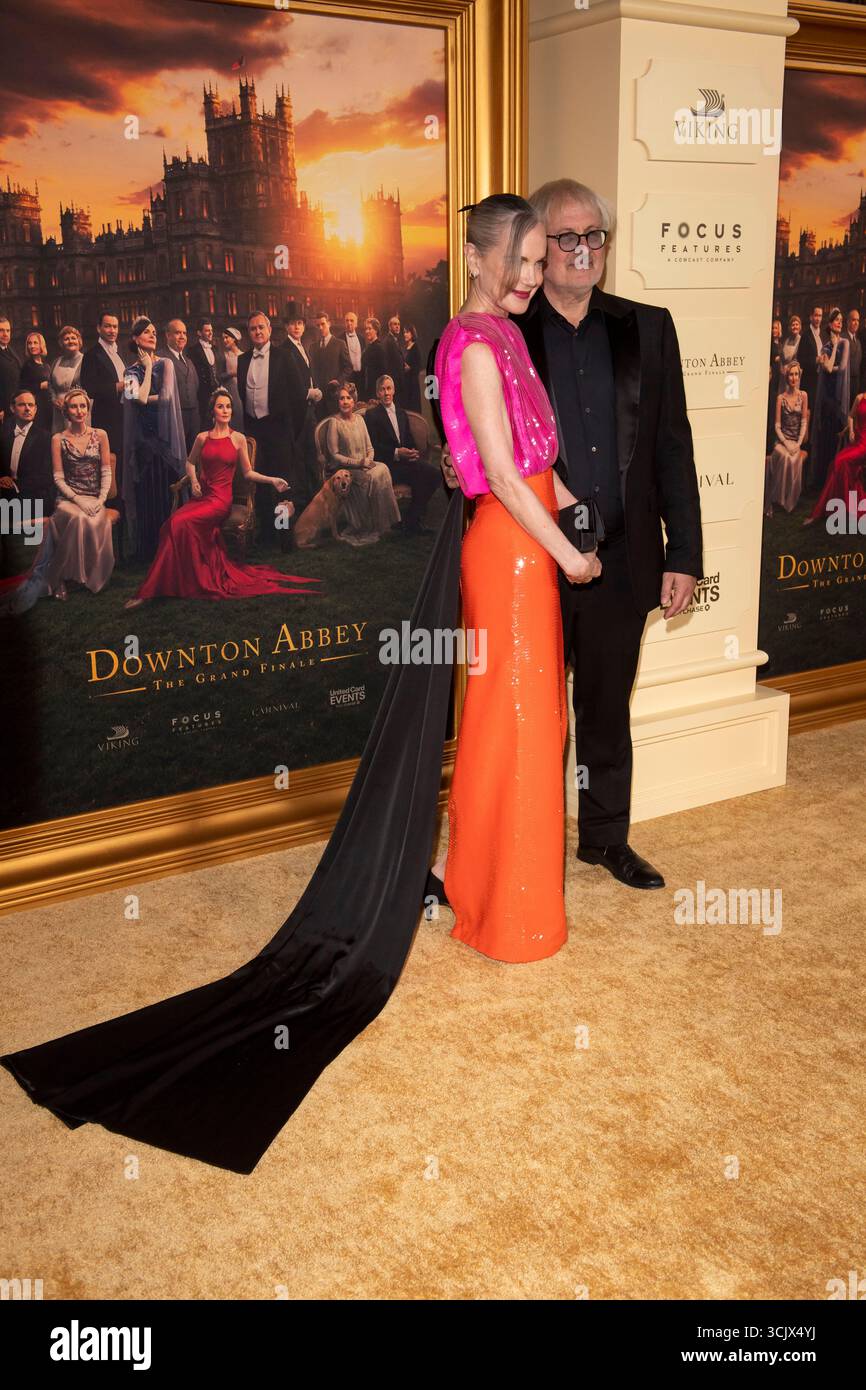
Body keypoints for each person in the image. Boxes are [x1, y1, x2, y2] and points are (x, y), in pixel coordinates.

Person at [0, 193, 590, 1173]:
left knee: (526, 727)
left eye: (543, 257)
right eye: (523, 257)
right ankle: (503, 917)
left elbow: (533, 460)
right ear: (482, 257)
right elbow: (492, 466)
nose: (538, 271)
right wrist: (563, 554)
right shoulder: (478, 344)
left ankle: (497, 901)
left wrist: (579, 518)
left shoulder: (506, 338)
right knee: (513, 725)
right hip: (513, 551)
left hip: (528, 541)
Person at [432, 178, 703, 890]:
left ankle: (605, 840)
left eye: (596, 238)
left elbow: (675, 448)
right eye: (566, 240)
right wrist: (453, 460)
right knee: (527, 715)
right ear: (537, 250)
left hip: (617, 556)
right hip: (535, 558)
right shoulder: (503, 330)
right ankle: (518, 849)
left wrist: (687, 556)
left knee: (605, 708)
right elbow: (469, 433)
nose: (583, 252)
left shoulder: (649, 327)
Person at [124, 389, 320, 606]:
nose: (225, 410)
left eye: (228, 406)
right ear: (213, 411)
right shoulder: (202, 438)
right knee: (171, 524)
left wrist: (272, 480)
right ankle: (172, 582)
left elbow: (247, 473)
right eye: (221, 406)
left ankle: (151, 591)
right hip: (203, 497)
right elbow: (190, 463)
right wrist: (195, 480)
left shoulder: (237, 439)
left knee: (180, 522)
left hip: (219, 501)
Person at [0, 387, 113, 612]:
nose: (79, 410)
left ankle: (85, 577)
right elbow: (58, 478)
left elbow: (106, 471)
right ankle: (59, 577)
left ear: (87, 409)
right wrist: (79, 501)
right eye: (74, 406)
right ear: (66, 411)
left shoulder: (100, 434)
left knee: (93, 519)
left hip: (95, 498)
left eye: (83, 406)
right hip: (67, 499)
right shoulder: (57, 438)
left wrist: (100, 500)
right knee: (77, 517)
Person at [121, 316, 187, 562]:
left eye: (154, 332)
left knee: (164, 492)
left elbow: (167, 399)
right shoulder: (129, 371)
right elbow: (134, 398)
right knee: (145, 494)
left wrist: (141, 394)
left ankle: (170, 548)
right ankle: (149, 550)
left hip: (163, 441)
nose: (152, 335)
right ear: (136, 339)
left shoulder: (167, 364)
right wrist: (147, 369)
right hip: (141, 441)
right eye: (146, 332)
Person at [236, 310, 298, 541]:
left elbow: (298, 396)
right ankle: (266, 533)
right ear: (249, 333)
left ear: (270, 330)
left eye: (261, 327)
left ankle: (283, 534)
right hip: (254, 430)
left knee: (281, 484)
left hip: (279, 430)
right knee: (259, 484)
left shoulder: (284, 356)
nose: (257, 331)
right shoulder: (242, 360)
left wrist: (292, 431)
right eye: (253, 328)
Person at [323, 381, 401, 543]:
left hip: (364, 464)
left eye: (348, 398)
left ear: (354, 401)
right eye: (341, 398)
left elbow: (370, 447)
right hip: (347, 469)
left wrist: (369, 461)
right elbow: (334, 455)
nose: (345, 402)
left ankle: (384, 523)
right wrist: (358, 463)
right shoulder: (334, 423)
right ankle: (365, 525)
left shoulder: (359, 419)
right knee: (370, 478)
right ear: (338, 401)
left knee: (383, 469)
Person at [364, 373, 439, 534]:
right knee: (422, 477)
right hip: (387, 465)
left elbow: (409, 440)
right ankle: (413, 522)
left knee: (434, 475)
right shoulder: (372, 415)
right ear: (378, 393)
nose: (386, 393)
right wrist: (397, 452)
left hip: (407, 462)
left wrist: (413, 452)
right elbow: (373, 447)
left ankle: (410, 519)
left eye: (389, 388)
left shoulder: (401, 413)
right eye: (382, 389)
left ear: (394, 390)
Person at [0, 387, 54, 577]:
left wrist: (16, 485)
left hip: (34, 494)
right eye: (22, 404)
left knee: (26, 549)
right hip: (6, 493)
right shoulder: (3, 433)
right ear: (12, 408)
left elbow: (47, 476)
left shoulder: (45, 437)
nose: (27, 409)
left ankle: (30, 569)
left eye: (31, 405)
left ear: (36, 409)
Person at [804, 388, 866, 528]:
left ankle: (821, 511)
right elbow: (851, 416)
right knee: (836, 464)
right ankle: (840, 508)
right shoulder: (860, 398)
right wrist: (850, 430)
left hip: (864, 447)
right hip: (857, 442)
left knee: (840, 462)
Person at [284, 310, 323, 506]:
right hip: (296, 411)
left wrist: (315, 388)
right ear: (286, 327)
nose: (296, 326)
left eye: (299, 323)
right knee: (298, 455)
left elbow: (307, 374)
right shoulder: (285, 349)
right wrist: (309, 392)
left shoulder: (302, 346)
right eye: (292, 323)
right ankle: (301, 500)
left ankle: (315, 496)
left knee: (311, 451)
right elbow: (289, 385)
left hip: (309, 409)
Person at [809, 307, 850, 495]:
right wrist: (830, 353)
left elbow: (840, 368)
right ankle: (823, 481)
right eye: (836, 320)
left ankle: (835, 482)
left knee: (836, 436)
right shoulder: (826, 346)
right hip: (826, 397)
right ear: (830, 324)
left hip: (837, 396)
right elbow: (827, 367)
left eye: (841, 319)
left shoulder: (845, 343)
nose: (840, 322)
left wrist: (827, 364)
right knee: (825, 436)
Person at [80, 311, 126, 458]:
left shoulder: (120, 352)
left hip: (125, 414)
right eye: (107, 326)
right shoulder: (91, 355)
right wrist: (117, 387)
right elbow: (89, 388)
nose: (112, 331)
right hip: (107, 417)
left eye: (115, 327)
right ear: (99, 328)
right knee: (109, 460)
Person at [765, 361, 807, 517]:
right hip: (782, 441)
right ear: (786, 376)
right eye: (791, 374)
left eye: (796, 374)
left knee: (793, 459)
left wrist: (798, 443)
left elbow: (803, 423)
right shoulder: (780, 398)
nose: (794, 378)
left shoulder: (803, 395)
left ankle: (789, 500)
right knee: (784, 455)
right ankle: (779, 499)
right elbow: (777, 426)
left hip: (796, 442)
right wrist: (786, 443)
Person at [161, 318, 201, 452]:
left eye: (184, 333)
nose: (182, 336)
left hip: (193, 418)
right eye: (178, 333)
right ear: (168, 335)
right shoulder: (161, 358)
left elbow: (196, 387)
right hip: (174, 418)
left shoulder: (189, 361)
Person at [309, 312, 352, 419]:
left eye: (323, 324)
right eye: (318, 325)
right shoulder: (313, 347)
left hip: (334, 396)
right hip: (318, 398)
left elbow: (348, 367)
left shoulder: (340, 344)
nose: (320, 328)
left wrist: (338, 380)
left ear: (329, 323)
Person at [47, 325, 83, 433]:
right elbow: (50, 384)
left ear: (79, 341)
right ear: (61, 343)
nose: (70, 341)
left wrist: (69, 402)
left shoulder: (86, 361)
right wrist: (54, 399)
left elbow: (88, 386)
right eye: (66, 339)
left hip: (77, 410)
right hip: (58, 410)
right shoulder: (56, 361)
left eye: (73, 338)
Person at [188, 317, 222, 429]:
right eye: (207, 330)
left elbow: (218, 370)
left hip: (217, 392)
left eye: (211, 330)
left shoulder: (215, 349)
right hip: (202, 395)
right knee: (205, 425)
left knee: (218, 422)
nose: (210, 333)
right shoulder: (193, 350)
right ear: (199, 333)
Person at [217, 326, 244, 430]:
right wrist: (231, 373)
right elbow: (219, 376)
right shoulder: (224, 356)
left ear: (234, 339)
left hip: (241, 391)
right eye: (223, 338)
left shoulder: (243, 355)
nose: (224, 340)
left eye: (227, 337)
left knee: (240, 417)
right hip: (229, 391)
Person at [360, 317, 387, 402]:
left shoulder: (379, 348)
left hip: (375, 390)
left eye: (369, 328)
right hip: (367, 389)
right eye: (366, 329)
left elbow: (383, 372)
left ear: (376, 330)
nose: (367, 331)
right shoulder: (369, 347)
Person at [0, 315, 21, 424]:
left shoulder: (11, 350)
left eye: (8, 330)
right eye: (1, 330)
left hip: (14, 406)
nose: (5, 334)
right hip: (3, 410)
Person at [337, 310, 364, 390]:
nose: (349, 323)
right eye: (347, 321)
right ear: (344, 323)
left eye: (352, 320)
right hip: (347, 378)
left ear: (356, 324)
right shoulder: (339, 339)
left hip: (360, 376)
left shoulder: (361, 338)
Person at [401, 322, 422, 412]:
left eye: (407, 332)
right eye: (404, 332)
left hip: (412, 383)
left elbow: (419, 366)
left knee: (413, 407)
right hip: (406, 381)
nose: (405, 334)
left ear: (412, 333)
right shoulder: (405, 347)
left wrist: (410, 368)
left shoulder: (416, 347)